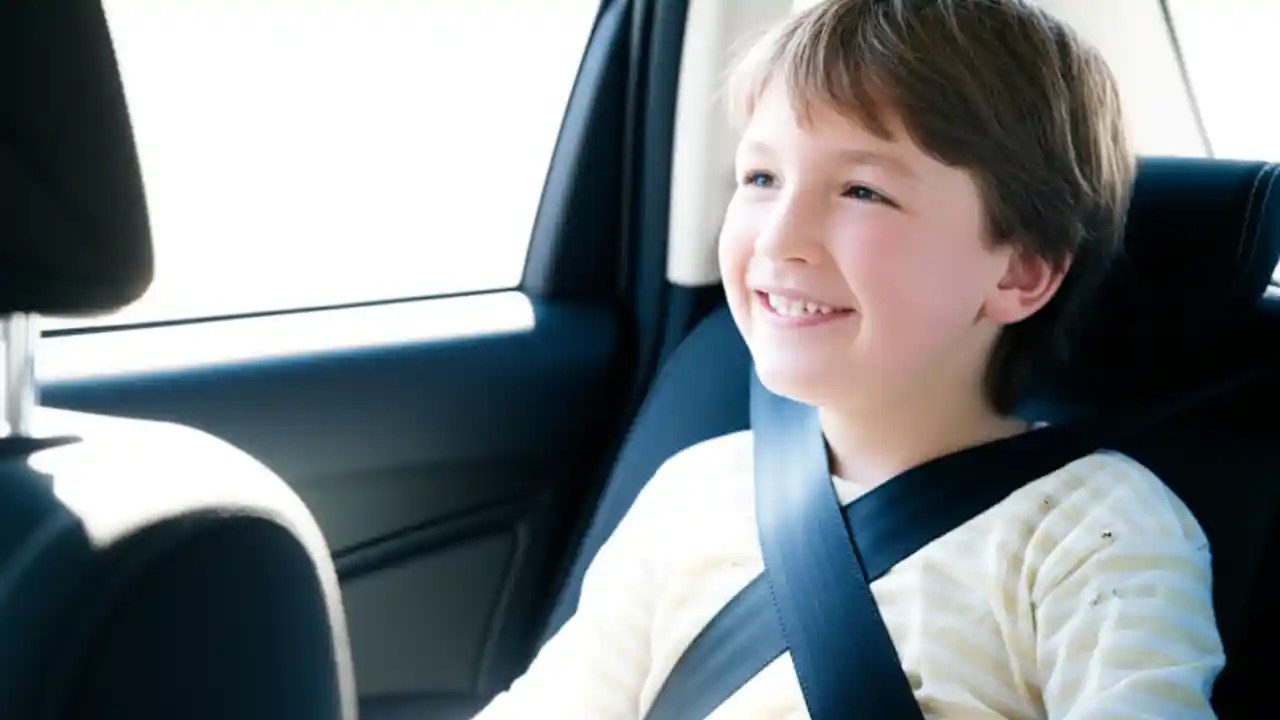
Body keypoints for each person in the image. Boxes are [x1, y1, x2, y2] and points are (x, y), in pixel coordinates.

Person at [475, 0, 1223, 717]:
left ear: (1017, 272)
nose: (778, 238)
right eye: (761, 179)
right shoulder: (693, 494)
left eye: (862, 190)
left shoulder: (1093, 528)